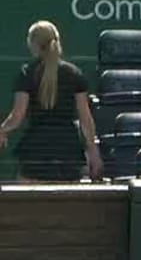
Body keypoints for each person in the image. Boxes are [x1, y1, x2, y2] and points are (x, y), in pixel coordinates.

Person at [0, 21, 100, 182]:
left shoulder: (27, 73)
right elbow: (85, 118)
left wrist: (3, 130)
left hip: (36, 152)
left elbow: (17, 116)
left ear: (33, 44)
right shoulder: (74, 74)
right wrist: (93, 151)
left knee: (25, 205)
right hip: (68, 153)